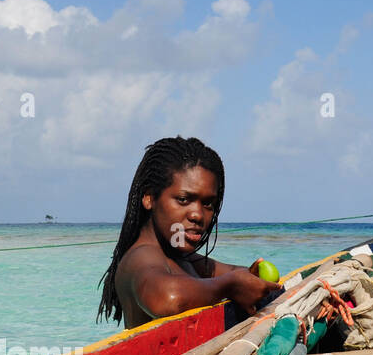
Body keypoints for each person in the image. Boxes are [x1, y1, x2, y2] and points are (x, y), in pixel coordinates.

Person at [97, 136, 281, 329]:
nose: (198, 215)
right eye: (184, 199)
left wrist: (250, 277)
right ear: (149, 198)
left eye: (208, 203)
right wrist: (230, 285)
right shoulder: (141, 256)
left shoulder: (180, 257)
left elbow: (234, 273)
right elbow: (168, 299)